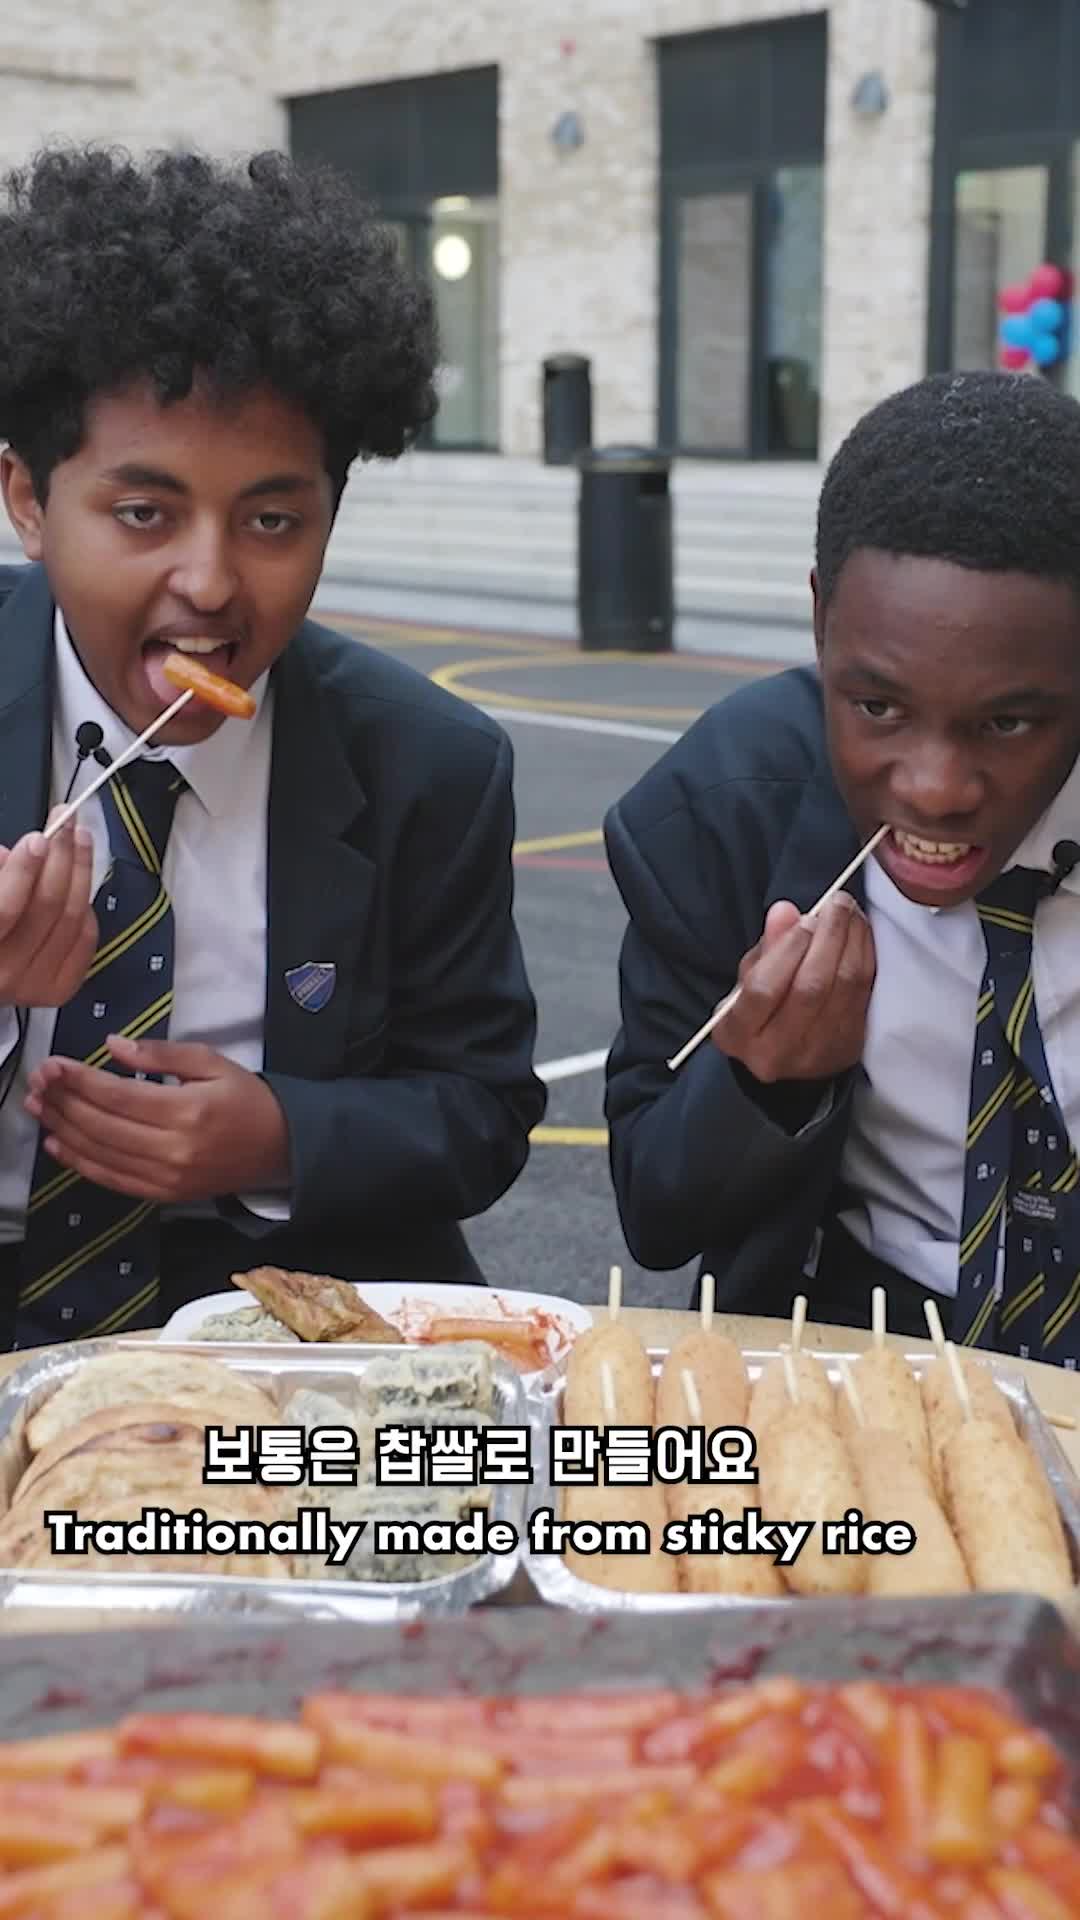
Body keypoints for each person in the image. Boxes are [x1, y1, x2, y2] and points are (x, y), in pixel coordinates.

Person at [0, 144, 546, 1351]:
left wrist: (280, 1137)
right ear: (29, 501)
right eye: (143, 514)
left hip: (281, 1296)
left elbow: (483, 1107)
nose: (209, 582)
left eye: (273, 520)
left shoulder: (427, 764)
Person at [605, 370, 1080, 1368]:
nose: (937, 788)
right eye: (877, 708)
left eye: (1008, 721)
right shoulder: (718, 815)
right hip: (861, 1345)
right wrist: (765, 1081)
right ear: (822, 622)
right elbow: (655, 1206)